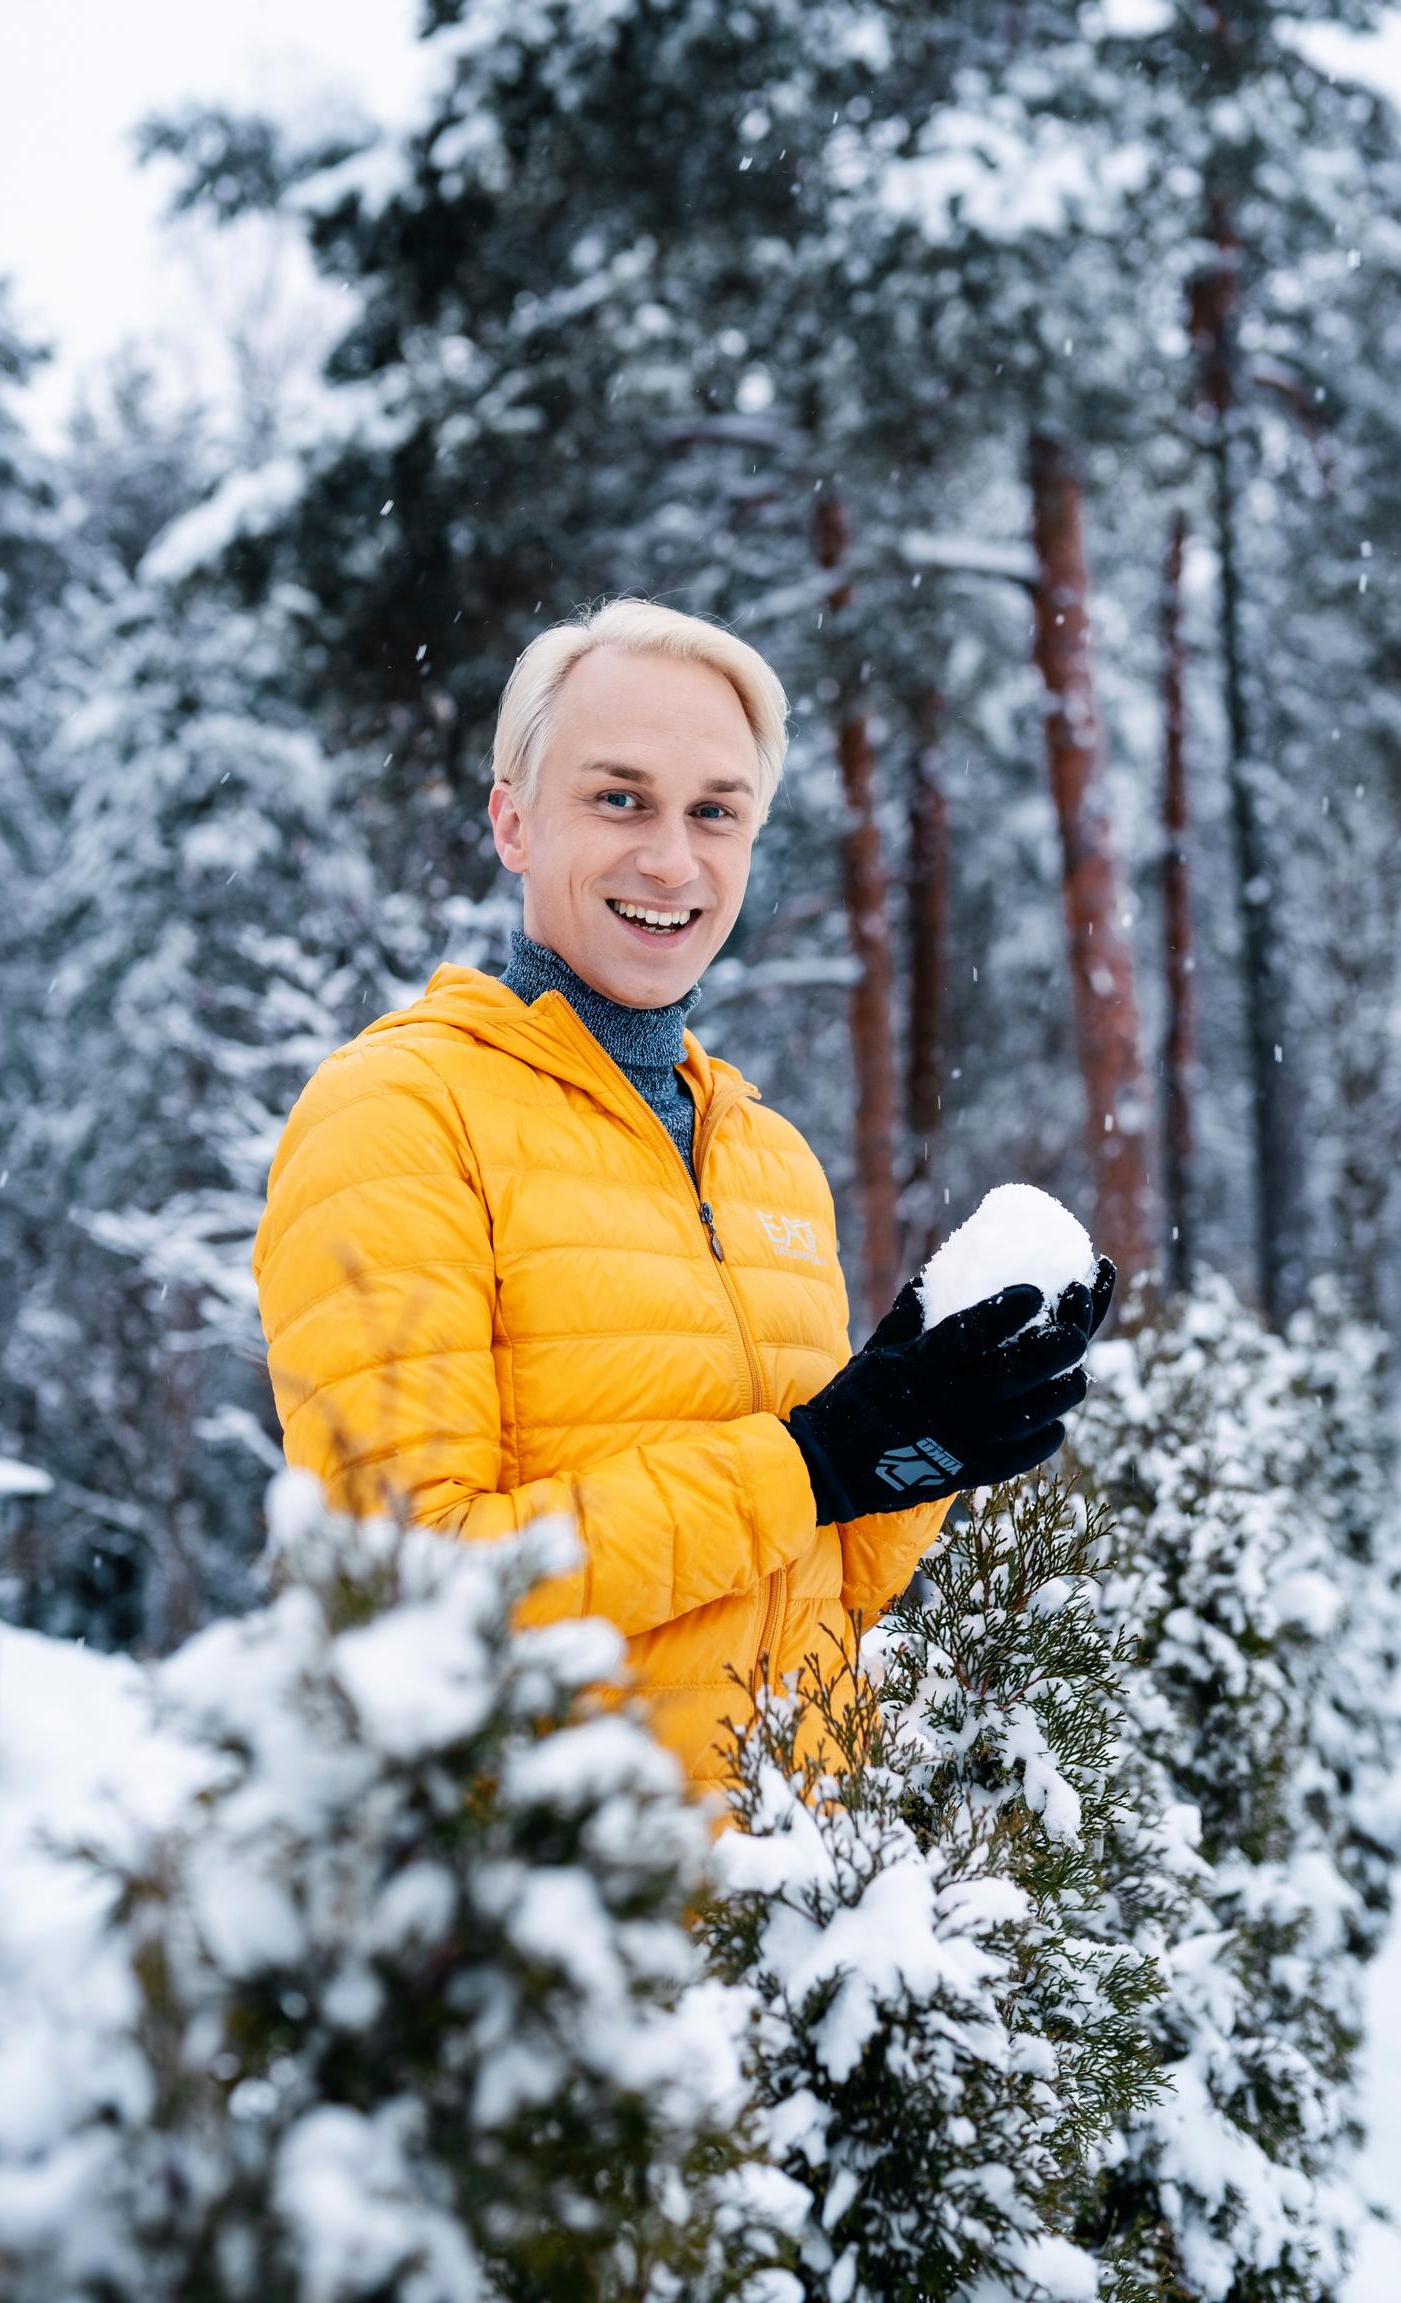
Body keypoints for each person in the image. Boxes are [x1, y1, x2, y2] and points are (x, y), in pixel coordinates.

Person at [253, 599, 1112, 1788]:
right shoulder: (399, 1115)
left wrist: (921, 1446)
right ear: (512, 819)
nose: (672, 859)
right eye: (620, 798)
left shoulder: (770, 1157)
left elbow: (822, 1599)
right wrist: (807, 1462)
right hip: (542, 1921)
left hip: (783, 1914)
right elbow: (403, 1599)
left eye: (716, 811)